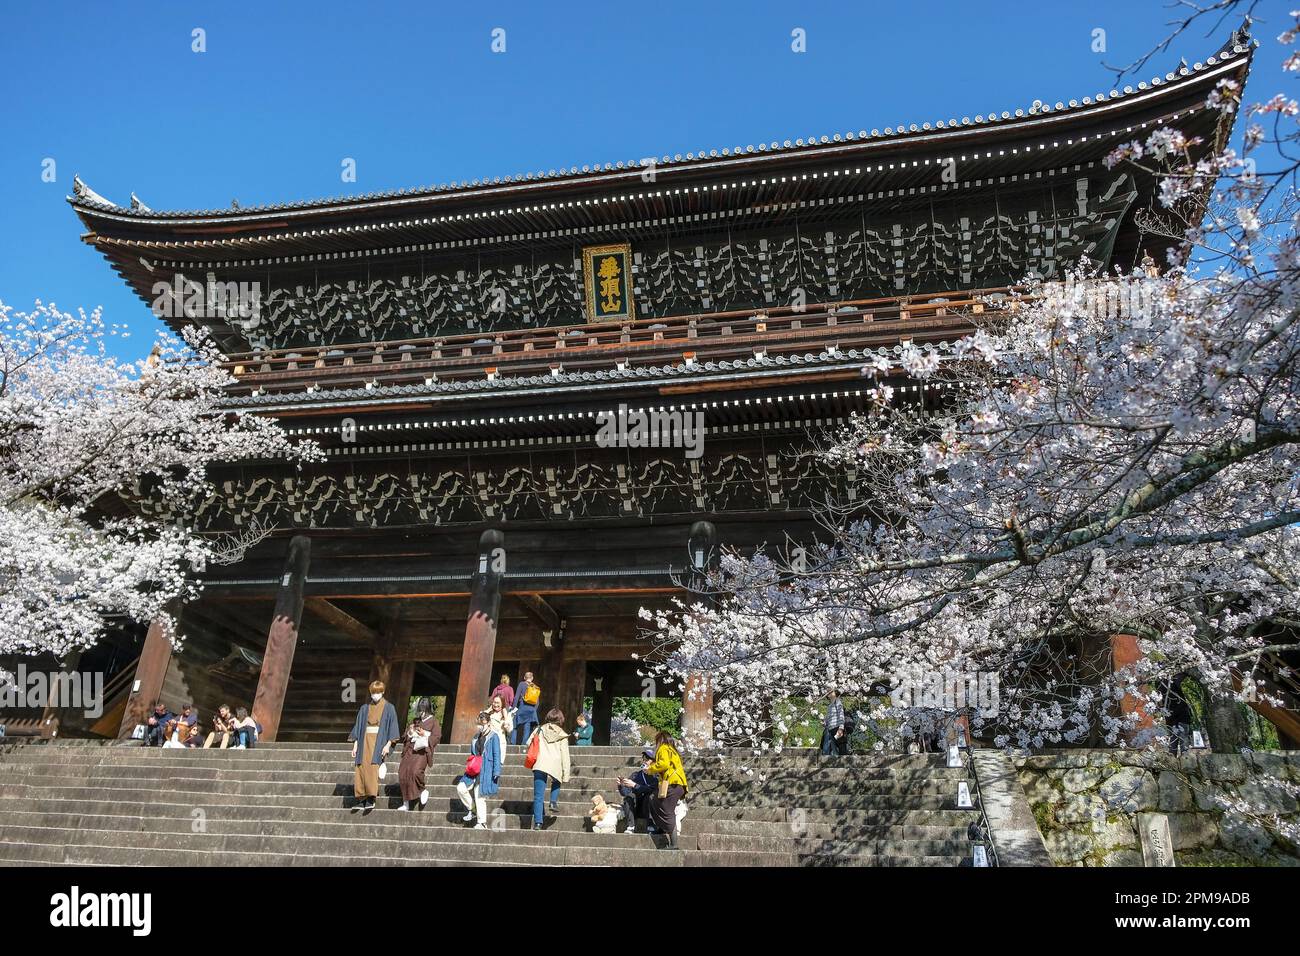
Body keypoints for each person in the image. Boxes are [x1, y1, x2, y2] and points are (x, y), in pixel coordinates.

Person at [347, 680, 401, 813]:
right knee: (361, 767)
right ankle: (361, 799)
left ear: (382, 692)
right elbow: (359, 727)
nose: (375, 695)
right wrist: (355, 745)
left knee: (372, 768)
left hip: (379, 741)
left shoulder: (389, 708)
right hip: (364, 740)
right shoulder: (364, 708)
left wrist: (388, 745)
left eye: (378, 692)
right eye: (373, 692)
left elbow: (392, 727)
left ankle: (371, 798)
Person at [526, 708, 570, 830]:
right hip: (555, 764)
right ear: (560, 719)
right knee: (557, 780)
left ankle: (538, 823)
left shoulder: (539, 729)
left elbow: (528, 742)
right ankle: (553, 801)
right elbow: (565, 756)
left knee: (538, 796)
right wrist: (566, 774)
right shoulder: (562, 735)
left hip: (540, 763)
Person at [456, 710, 501, 829]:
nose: (480, 726)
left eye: (483, 723)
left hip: (486, 769)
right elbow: (472, 753)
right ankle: (472, 808)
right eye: (479, 724)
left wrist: (496, 771)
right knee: (461, 788)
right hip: (473, 769)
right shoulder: (475, 737)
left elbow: (497, 754)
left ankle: (482, 822)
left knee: (479, 795)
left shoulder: (493, 736)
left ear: (489, 723)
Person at [645, 731, 688, 850]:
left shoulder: (663, 748)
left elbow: (663, 764)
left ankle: (674, 844)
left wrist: (650, 769)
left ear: (660, 739)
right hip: (679, 785)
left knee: (667, 811)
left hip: (672, 784)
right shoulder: (673, 750)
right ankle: (663, 828)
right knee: (655, 800)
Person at [398, 698, 442, 810]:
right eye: (420, 709)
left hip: (423, 751)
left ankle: (422, 789)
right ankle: (405, 803)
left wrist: (425, 734)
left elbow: (436, 737)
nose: (421, 712)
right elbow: (406, 735)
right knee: (403, 772)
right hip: (410, 750)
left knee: (416, 772)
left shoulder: (434, 721)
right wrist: (410, 732)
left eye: (424, 710)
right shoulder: (415, 720)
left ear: (428, 709)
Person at [616, 748, 658, 834]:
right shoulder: (636, 775)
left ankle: (651, 825)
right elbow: (625, 793)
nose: (645, 761)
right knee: (629, 797)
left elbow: (652, 789)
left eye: (648, 759)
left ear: (654, 762)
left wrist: (635, 785)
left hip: (649, 808)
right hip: (636, 808)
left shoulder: (656, 776)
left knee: (649, 796)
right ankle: (631, 826)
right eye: (643, 758)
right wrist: (621, 786)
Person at [513, 671, 539, 744]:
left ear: (524, 677)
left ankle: (513, 743)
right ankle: (524, 744)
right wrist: (534, 710)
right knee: (527, 726)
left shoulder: (522, 684)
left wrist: (513, 708)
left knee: (516, 724)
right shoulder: (535, 687)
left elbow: (517, 697)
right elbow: (537, 702)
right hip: (531, 709)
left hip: (522, 707)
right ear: (532, 678)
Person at [487, 693, 513, 765]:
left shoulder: (507, 714)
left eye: (498, 703)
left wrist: (505, 718)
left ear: (502, 704)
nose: (495, 705)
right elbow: (479, 722)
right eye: (494, 702)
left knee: (497, 767)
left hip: (500, 742)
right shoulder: (489, 714)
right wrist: (488, 711)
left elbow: (510, 730)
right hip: (489, 742)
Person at [821, 688, 846, 757]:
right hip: (829, 729)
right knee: (827, 748)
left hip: (836, 728)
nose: (829, 692)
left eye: (831, 691)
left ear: (836, 693)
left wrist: (841, 728)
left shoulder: (838, 702)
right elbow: (829, 718)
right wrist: (824, 722)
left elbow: (841, 716)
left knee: (835, 747)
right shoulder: (829, 706)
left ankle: (835, 763)